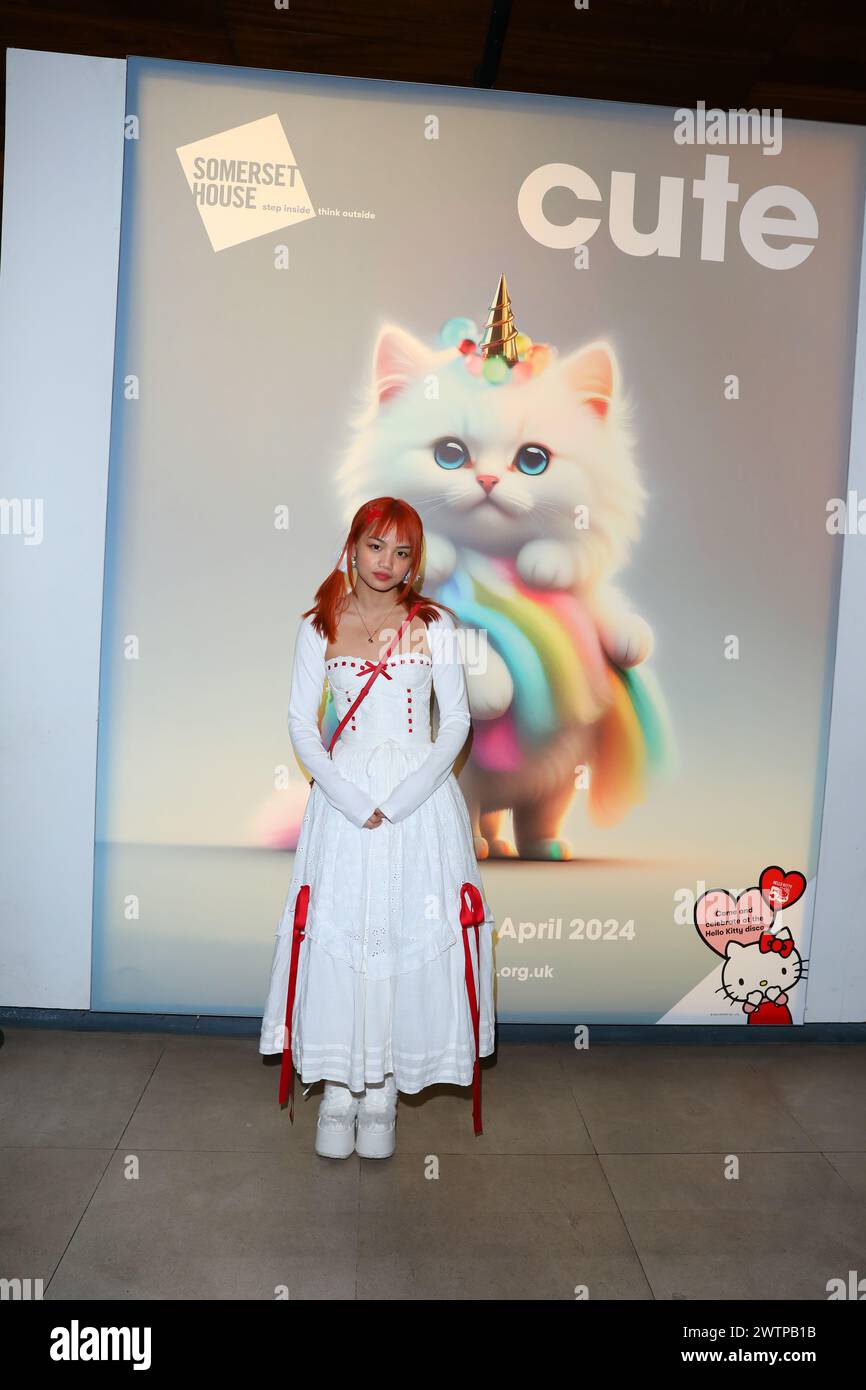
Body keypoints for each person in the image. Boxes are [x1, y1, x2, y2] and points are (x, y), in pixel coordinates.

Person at [259, 497, 496, 1158]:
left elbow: (455, 724)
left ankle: (385, 1089)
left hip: (420, 810)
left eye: (402, 552)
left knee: (404, 932)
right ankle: (338, 1087)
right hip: (342, 805)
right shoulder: (319, 626)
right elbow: (302, 726)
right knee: (342, 933)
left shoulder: (435, 625)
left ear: (413, 562)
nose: (387, 563)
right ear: (352, 546)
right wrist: (346, 794)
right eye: (375, 546)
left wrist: (403, 798)